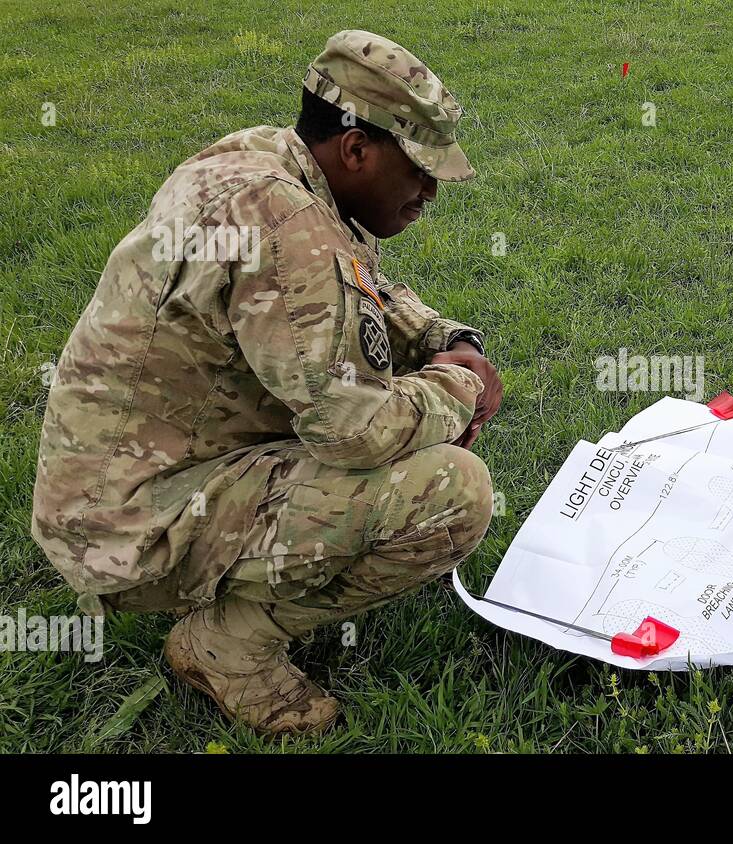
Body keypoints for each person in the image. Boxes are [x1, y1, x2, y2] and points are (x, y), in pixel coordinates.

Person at [31, 30, 503, 733]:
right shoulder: (283, 223)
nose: (431, 189)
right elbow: (356, 431)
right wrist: (456, 389)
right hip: (129, 525)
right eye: (421, 168)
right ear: (356, 150)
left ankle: (240, 585)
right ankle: (227, 646)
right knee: (451, 492)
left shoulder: (274, 163)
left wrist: (447, 341)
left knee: (401, 402)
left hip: (127, 485)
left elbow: (366, 291)